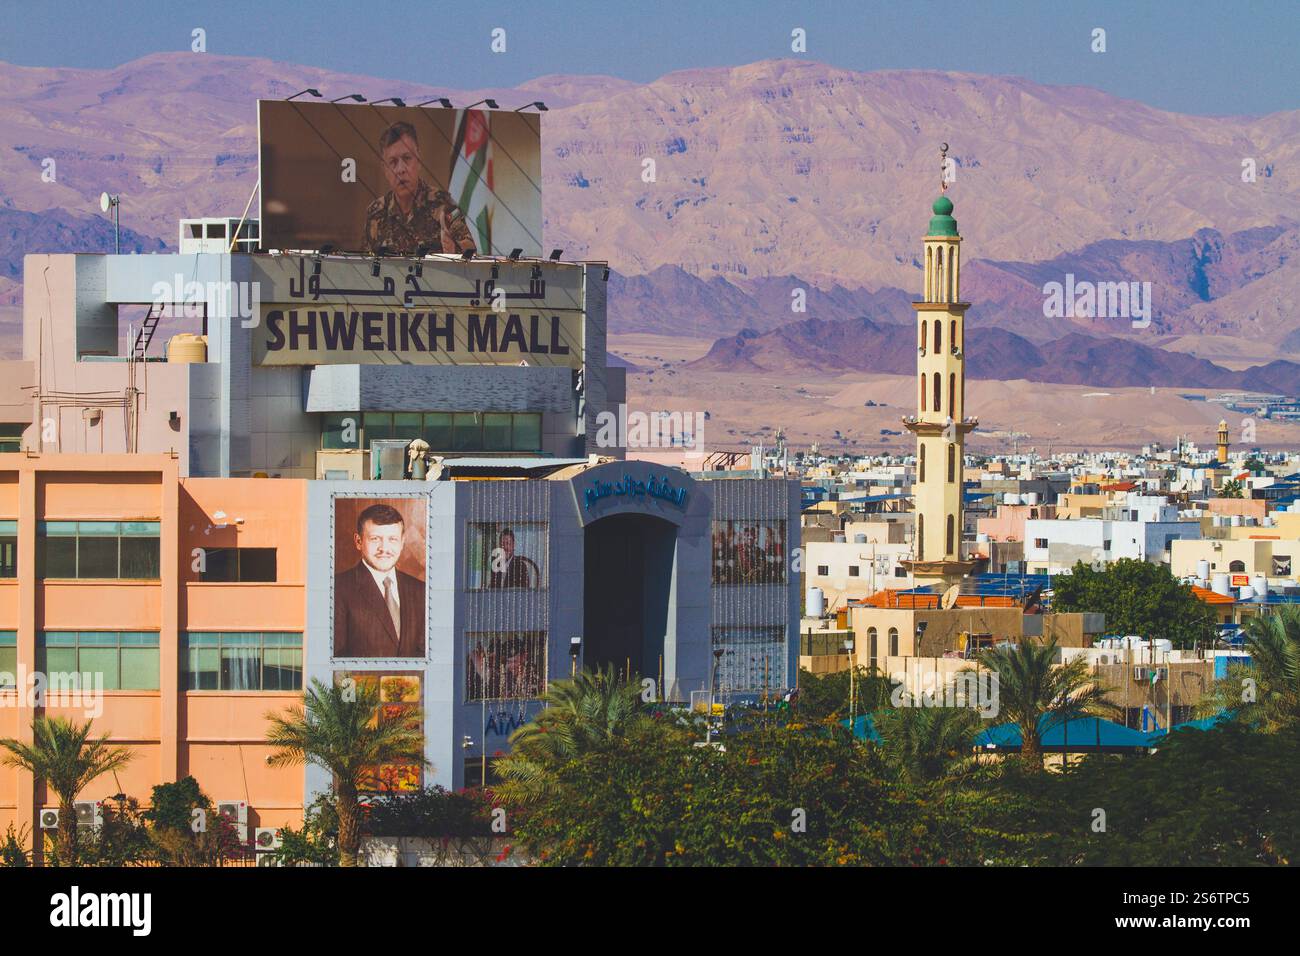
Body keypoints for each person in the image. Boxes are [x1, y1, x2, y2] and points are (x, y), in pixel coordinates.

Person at [363, 121, 477, 256]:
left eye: (407, 158)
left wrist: (453, 252)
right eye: (393, 162)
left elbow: (471, 255)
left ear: (418, 160)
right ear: (385, 169)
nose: (401, 169)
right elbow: (365, 267)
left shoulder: (443, 204)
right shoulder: (376, 213)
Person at [334, 503, 425, 657]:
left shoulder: (420, 590)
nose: (384, 548)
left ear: (402, 542)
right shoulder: (338, 588)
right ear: (358, 541)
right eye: (375, 539)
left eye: (392, 539)